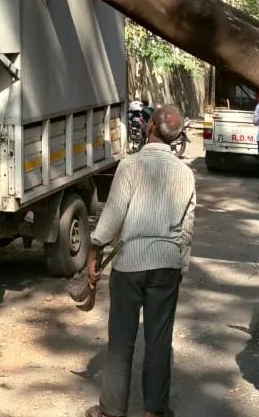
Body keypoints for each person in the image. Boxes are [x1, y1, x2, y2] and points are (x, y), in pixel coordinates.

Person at [85, 105, 196, 417]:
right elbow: (187, 227)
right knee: (160, 342)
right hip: (167, 265)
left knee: (121, 340)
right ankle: (155, 412)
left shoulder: (131, 165)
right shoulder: (185, 173)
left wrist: (94, 249)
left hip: (130, 263)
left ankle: (111, 410)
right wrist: (182, 265)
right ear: (177, 137)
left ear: (149, 126)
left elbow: (113, 214)